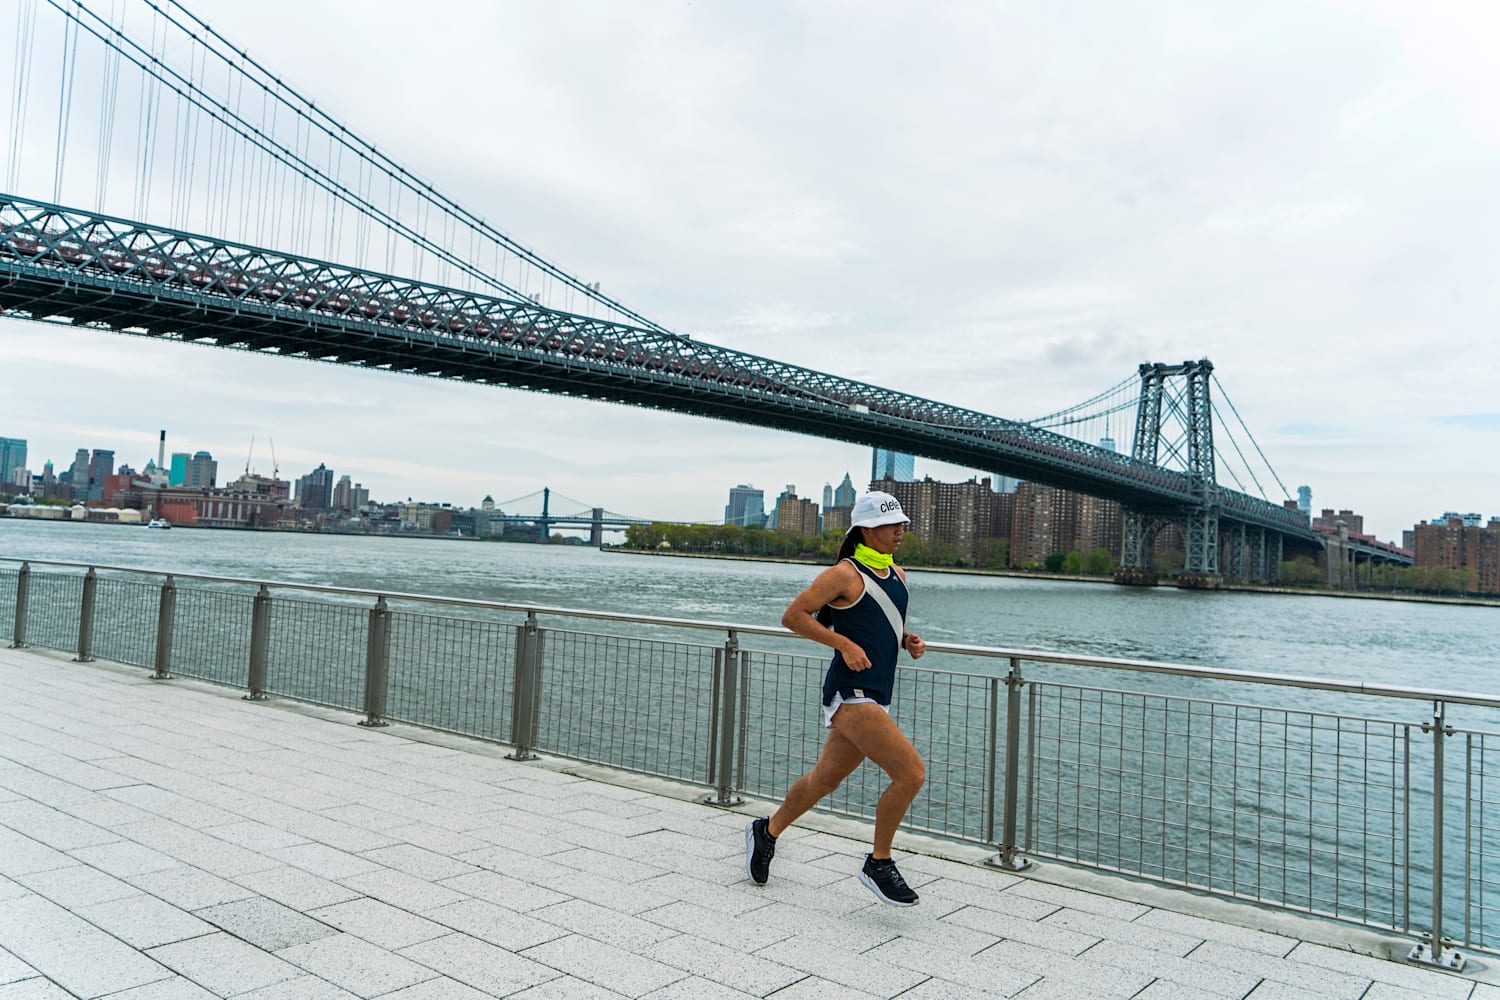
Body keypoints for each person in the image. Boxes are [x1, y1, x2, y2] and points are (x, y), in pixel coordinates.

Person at [745, 490, 927, 906]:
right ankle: (879, 862)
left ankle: (766, 831)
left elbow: (878, 623)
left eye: (902, 524)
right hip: (851, 693)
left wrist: (906, 640)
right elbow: (793, 617)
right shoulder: (843, 574)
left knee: (824, 780)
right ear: (867, 529)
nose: (900, 530)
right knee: (911, 773)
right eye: (892, 524)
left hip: (878, 692)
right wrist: (841, 643)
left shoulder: (898, 573)